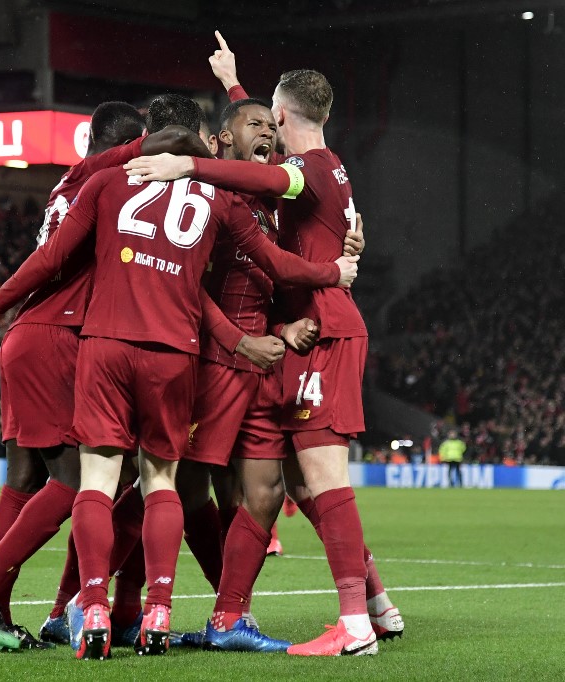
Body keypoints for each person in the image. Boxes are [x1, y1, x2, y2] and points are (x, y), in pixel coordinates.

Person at [0, 94, 355, 660]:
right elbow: (269, 260)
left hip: (98, 341)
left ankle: (90, 606)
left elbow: (53, 257)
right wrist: (334, 271)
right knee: (162, 483)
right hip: (177, 351)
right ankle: (154, 612)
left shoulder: (96, 182)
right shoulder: (218, 196)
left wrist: (1, 300)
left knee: (93, 482)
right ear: (202, 138)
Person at [124, 37, 389, 656]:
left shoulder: (300, 176)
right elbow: (259, 147)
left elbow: (265, 166)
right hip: (259, 350)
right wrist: (234, 85)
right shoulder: (319, 171)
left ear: (287, 119)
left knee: (305, 481)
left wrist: (187, 164)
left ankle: (358, 619)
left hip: (306, 339)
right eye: (256, 124)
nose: (267, 131)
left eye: (274, 121)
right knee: (266, 486)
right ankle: (216, 614)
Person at [0, 101, 212, 652]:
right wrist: (199, 158)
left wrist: (5, 300)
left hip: (29, 336)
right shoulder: (110, 175)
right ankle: (6, 595)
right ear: (130, 144)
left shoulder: (70, 178)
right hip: (63, 335)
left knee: (24, 479)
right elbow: (171, 139)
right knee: (86, 480)